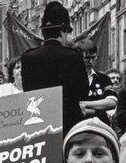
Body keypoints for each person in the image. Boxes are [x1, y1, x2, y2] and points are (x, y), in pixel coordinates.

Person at [21, 1, 88, 136]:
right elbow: (83, 91)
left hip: (41, 125)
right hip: (69, 124)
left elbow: (27, 91)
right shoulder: (73, 56)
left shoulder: (28, 57)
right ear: (63, 30)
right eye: (67, 31)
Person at [74, 38, 117, 126]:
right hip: (78, 127)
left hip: (101, 127)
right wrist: (98, 108)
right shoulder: (71, 79)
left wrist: (84, 104)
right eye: (87, 58)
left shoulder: (103, 78)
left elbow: (112, 102)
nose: (91, 61)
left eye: (93, 57)